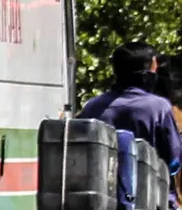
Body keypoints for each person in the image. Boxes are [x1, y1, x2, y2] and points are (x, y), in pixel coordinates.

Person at [78, 41, 182, 175]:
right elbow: (173, 161)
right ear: (148, 74)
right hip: (147, 186)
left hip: (99, 184)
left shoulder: (92, 107)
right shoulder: (159, 108)